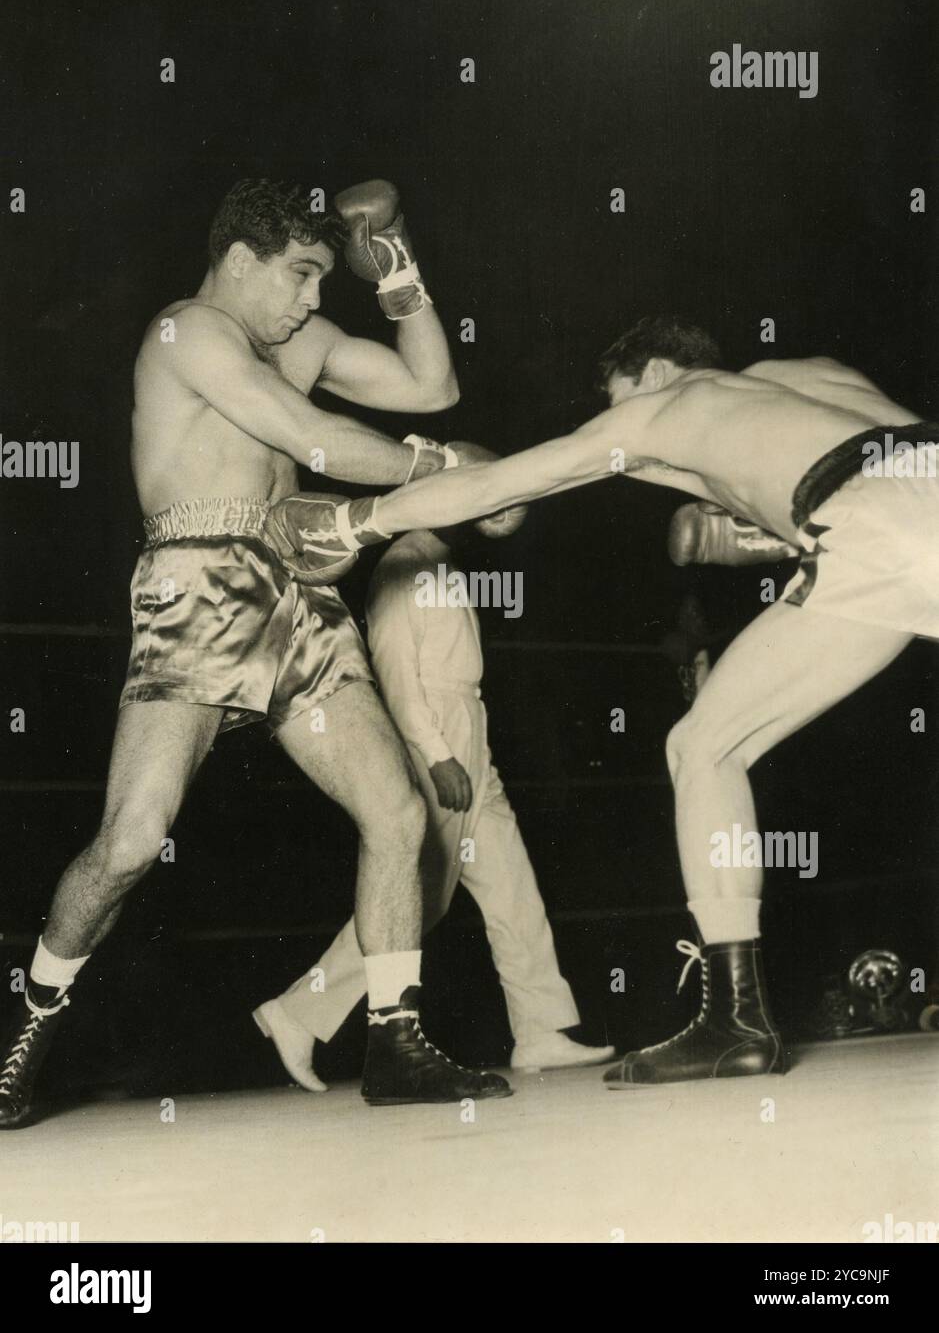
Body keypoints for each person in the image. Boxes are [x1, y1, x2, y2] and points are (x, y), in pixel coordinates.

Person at [267, 314, 935, 1085]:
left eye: (616, 402)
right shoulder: (809, 373)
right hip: (896, 501)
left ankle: (736, 1021)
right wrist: (758, 532)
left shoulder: (657, 409)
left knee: (702, 747)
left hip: (865, 531)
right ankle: (720, 1022)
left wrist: (357, 521)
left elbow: (501, 482)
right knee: (706, 739)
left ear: (650, 374)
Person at [0, 178, 511, 1129]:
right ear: (241, 260)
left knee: (396, 812)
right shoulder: (186, 332)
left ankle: (393, 1039)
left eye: (324, 273)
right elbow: (317, 440)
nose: (314, 297)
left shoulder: (300, 343)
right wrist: (453, 469)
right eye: (302, 274)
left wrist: (395, 257)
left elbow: (433, 387)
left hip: (298, 591)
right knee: (132, 838)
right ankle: (26, 1025)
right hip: (198, 581)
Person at [254, 512, 613, 1086]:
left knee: (511, 887)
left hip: (469, 730)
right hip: (437, 739)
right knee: (418, 894)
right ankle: (298, 1012)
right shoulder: (405, 564)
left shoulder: (441, 561)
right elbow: (396, 674)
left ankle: (542, 1027)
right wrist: (437, 752)